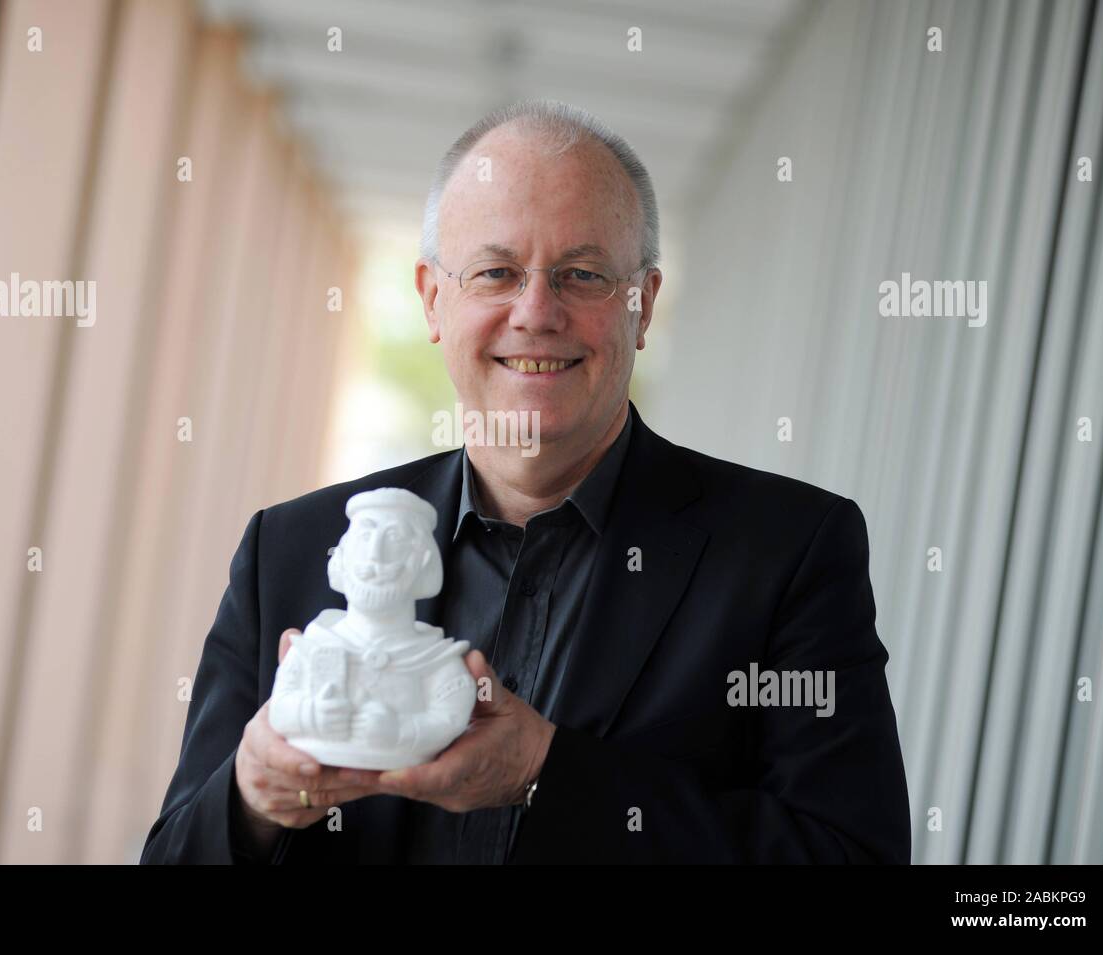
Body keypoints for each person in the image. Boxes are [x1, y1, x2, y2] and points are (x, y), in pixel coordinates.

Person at [140, 99, 910, 864]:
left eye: (582, 274)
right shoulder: (293, 548)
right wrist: (252, 799)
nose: (536, 312)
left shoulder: (788, 552)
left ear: (642, 306)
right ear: (433, 298)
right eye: (496, 272)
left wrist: (546, 772)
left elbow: (852, 855)